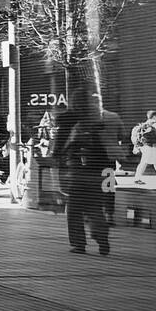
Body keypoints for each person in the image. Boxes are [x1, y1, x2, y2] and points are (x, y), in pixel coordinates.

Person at [58, 93, 112, 256]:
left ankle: (79, 244)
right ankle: (102, 237)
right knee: (94, 206)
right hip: (99, 170)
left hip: (79, 172)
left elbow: (63, 143)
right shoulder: (104, 118)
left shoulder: (70, 120)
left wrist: (59, 156)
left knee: (74, 209)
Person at [132, 109, 156, 182]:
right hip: (152, 146)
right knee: (146, 162)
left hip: (145, 146)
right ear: (154, 116)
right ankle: (137, 178)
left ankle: (137, 178)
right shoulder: (155, 124)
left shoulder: (144, 124)